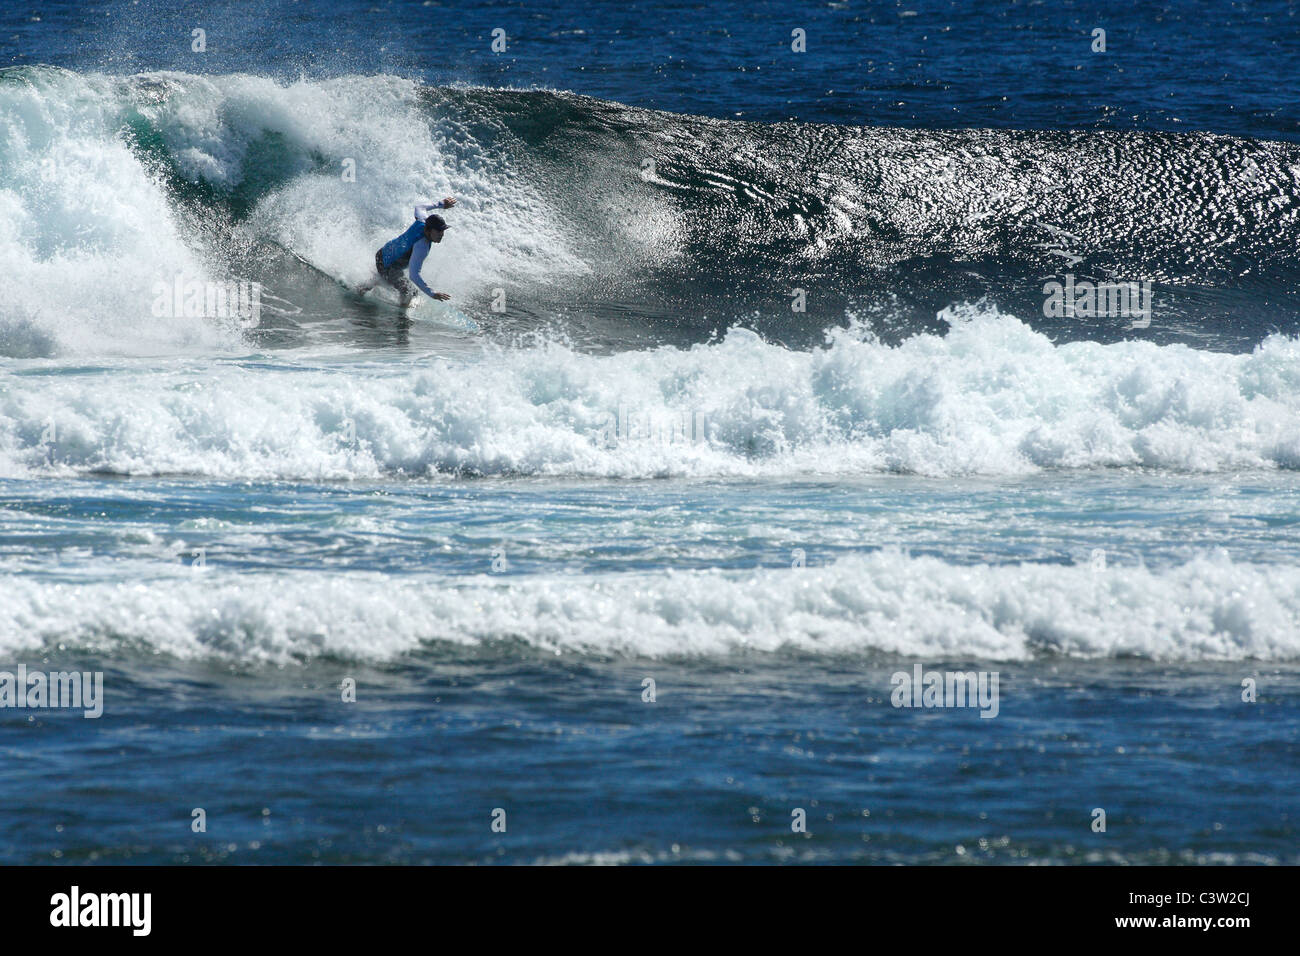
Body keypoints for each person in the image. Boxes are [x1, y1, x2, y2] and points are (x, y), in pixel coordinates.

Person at [359, 197, 457, 307]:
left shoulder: (422, 221)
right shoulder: (421, 246)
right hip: (387, 265)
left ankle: (362, 288)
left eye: (443, 231)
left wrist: (441, 204)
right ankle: (401, 317)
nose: (441, 234)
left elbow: (420, 207)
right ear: (429, 230)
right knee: (408, 292)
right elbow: (414, 275)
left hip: (382, 254)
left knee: (397, 283)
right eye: (439, 231)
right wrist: (432, 293)